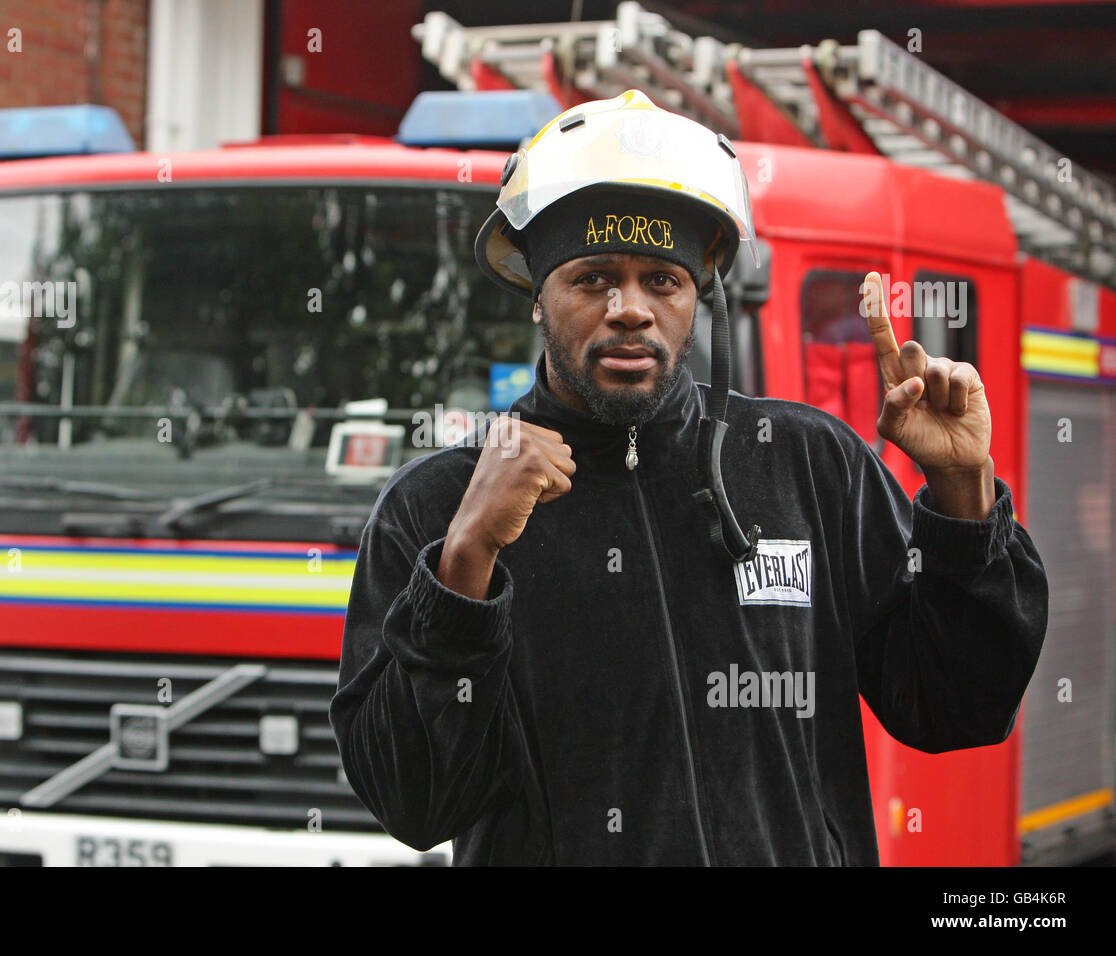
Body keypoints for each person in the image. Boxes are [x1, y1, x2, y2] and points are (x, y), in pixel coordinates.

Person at [329, 89, 1048, 865]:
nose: (629, 308)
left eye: (662, 281)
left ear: (698, 294)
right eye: (593, 278)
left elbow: (957, 708)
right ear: (537, 297)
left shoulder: (807, 463)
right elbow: (413, 803)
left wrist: (963, 497)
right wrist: (464, 565)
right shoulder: (437, 505)